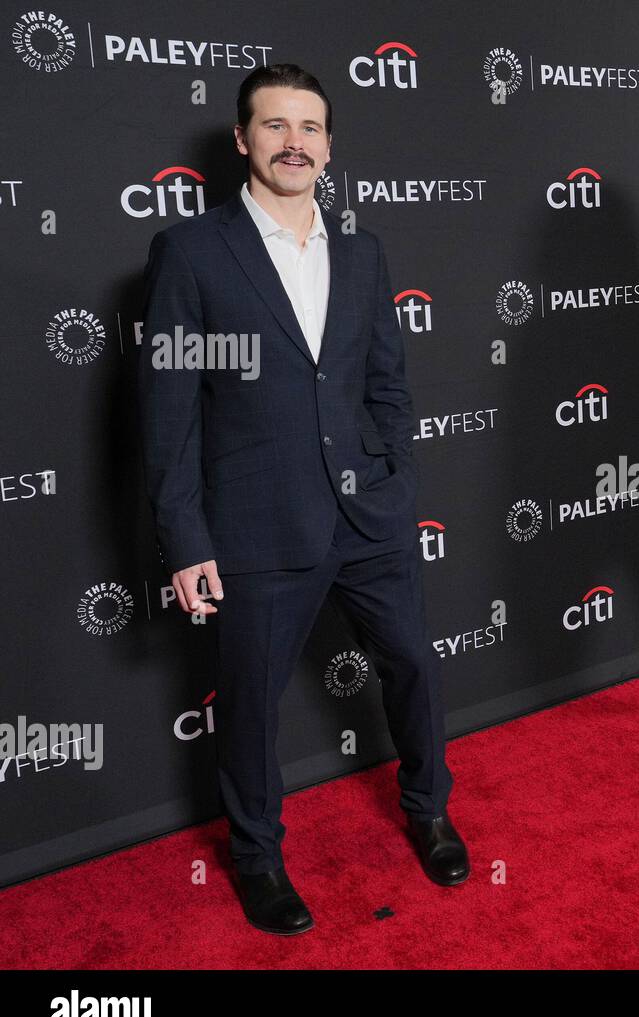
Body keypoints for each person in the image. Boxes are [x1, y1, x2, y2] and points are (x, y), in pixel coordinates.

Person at [137, 64, 468, 936]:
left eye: (311, 127)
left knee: (414, 669)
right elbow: (169, 411)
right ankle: (256, 859)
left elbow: (386, 384)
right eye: (275, 125)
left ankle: (429, 811)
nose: (296, 142)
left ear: (328, 144)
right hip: (257, 523)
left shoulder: (362, 253)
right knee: (249, 703)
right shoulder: (193, 251)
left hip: (371, 517)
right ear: (242, 140)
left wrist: (395, 474)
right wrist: (186, 536)